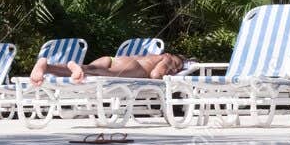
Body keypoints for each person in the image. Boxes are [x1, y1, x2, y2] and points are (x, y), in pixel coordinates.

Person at [28, 52, 188, 86]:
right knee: (94, 71)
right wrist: (168, 74)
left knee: (88, 69)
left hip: (114, 59)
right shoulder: (167, 58)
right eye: (177, 66)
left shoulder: (150, 55)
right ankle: (71, 66)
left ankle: (47, 66)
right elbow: (155, 74)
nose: (175, 69)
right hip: (134, 68)